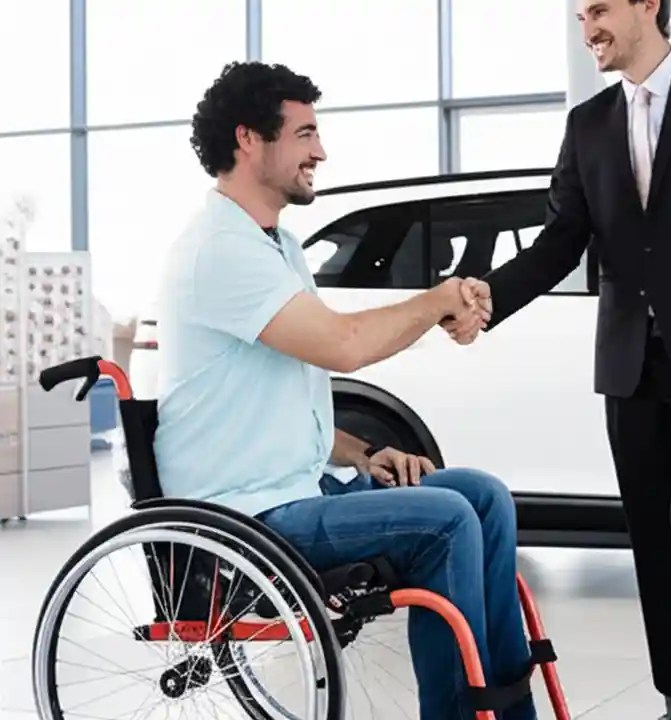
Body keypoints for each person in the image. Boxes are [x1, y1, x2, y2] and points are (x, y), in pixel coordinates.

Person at [151, 61, 537, 720]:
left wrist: (361, 454)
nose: (320, 151)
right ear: (250, 140)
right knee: (444, 522)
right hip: (249, 517)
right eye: (304, 134)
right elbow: (343, 345)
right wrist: (442, 298)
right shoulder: (220, 249)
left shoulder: (277, 244)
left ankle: (502, 707)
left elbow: (280, 396)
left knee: (482, 495)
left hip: (295, 489)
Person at [448, 1, 671, 718]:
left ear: (648, 4)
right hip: (629, 365)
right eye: (580, 18)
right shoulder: (588, 124)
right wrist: (487, 301)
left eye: (599, 11)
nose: (588, 30)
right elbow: (559, 240)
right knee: (653, 543)